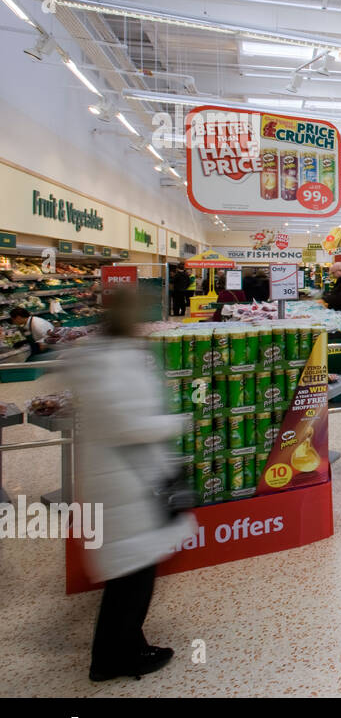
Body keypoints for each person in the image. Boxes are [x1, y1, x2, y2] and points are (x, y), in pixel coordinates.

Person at [71, 287, 197, 682]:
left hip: (122, 478)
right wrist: (178, 422)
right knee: (132, 578)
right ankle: (113, 658)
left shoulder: (103, 357)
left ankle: (126, 645)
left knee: (131, 576)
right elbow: (126, 423)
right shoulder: (116, 362)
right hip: (127, 482)